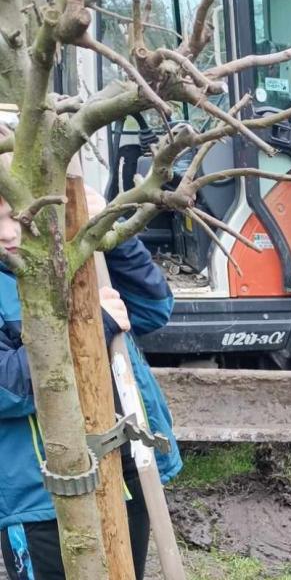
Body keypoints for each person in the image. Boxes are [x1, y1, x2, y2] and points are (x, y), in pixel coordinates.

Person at [0, 179, 181, 580]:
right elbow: (6, 387)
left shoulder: (72, 253)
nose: (8, 233)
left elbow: (153, 309)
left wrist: (109, 235)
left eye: (16, 216)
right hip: (41, 493)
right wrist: (91, 323)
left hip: (122, 466)